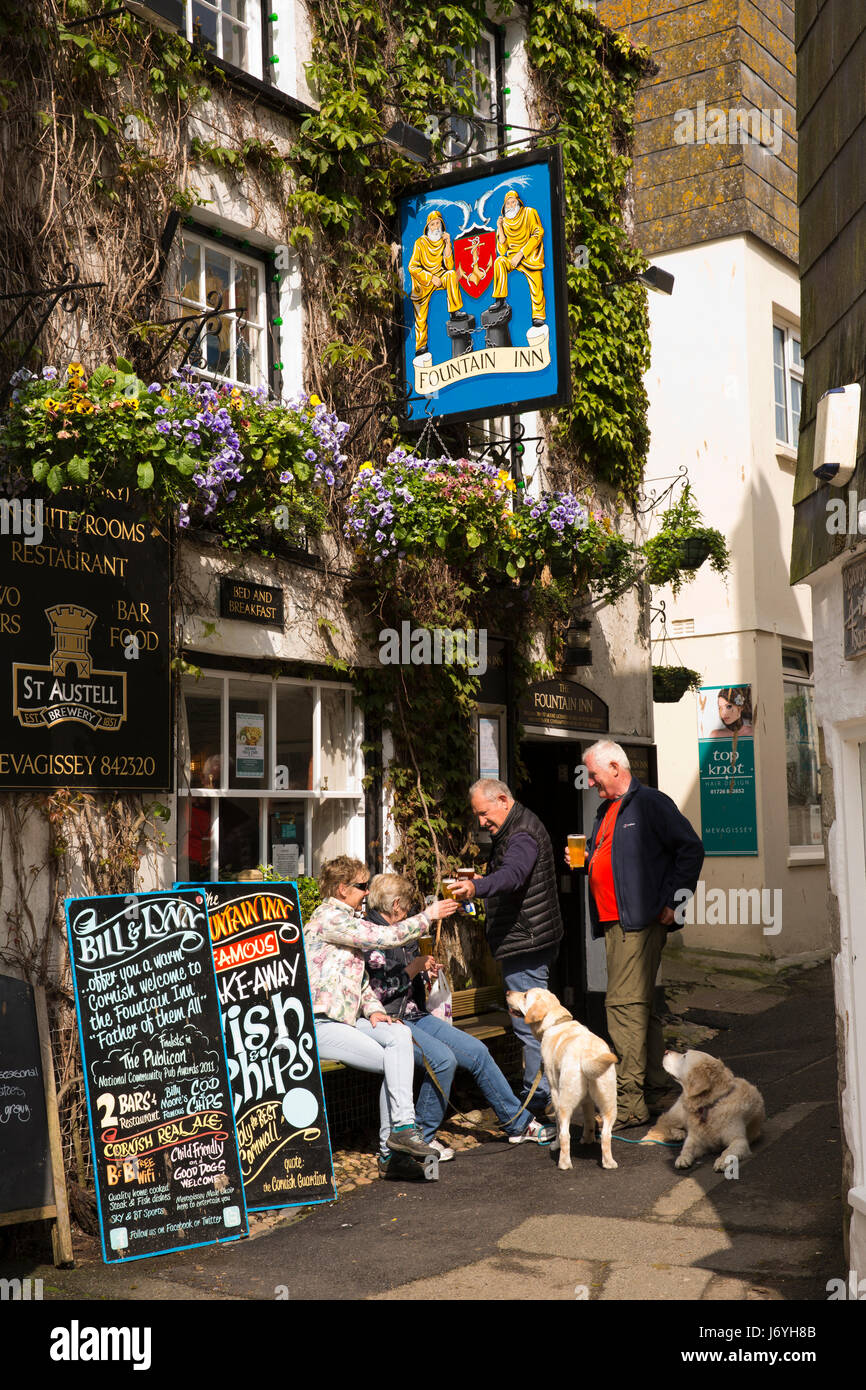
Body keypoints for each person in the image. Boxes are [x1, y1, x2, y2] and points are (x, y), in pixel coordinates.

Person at [363, 873, 555, 1161]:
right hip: (390, 1021)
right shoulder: (370, 935)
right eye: (407, 907)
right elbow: (378, 995)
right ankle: (421, 1139)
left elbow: (406, 977)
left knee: (477, 1051)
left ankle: (519, 1123)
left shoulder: (403, 927)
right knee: (443, 1061)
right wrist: (413, 970)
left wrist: (423, 970)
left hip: (416, 1014)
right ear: (396, 904)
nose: (410, 913)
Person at [572, 740, 704, 1129]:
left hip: (639, 922)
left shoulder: (649, 803)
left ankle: (628, 1104)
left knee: (622, 1007)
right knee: (638, 1004)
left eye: (595, 774)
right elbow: (612, 861)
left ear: (616, 767)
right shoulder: (608, 808)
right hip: (617, 922)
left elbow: (691, 849)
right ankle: (655, 1083)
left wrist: (674, 902)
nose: (591, 781)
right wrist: (584, 863)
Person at [304, 855, 459, 1174]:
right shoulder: (330, 917)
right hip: (319, 1024)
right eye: (362, 886)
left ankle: (400, 1134)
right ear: (342, 888)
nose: (366, 892)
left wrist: (375, 1012)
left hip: (345, 1021)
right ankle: (393, 1148)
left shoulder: (347, 922)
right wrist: (427, 915)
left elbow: (358, 983)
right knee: (396, 1058)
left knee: (399, 1034)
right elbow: (384, 937)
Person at [451, 778, 563, 1120]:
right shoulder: (515, 827)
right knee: (533, 1022)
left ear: (502, 800)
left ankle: (536, 1099)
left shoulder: (522, 833)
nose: (481, 822)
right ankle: (540, 1092)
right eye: (477, 815)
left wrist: (476, 887)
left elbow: (513, 875)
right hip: (527, 937)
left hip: (525, 941)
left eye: (484, 813)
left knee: (530, 1024)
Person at [408, 210, 465, 356]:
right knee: (420, 316)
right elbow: (412, 267)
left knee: (451, 275)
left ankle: (454, 311)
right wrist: (429, 277)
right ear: (428, 227)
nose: (435, 227)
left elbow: (449, 266)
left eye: (437, 223)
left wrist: (447, 244)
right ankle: (421, 347)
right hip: (423, 283)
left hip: (440, 276)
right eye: (432, 224)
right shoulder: (420, 243)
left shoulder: (443, 240)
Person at [491, 189, 546, 326]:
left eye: (512, 202)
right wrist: (500, 228)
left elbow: (538, 234)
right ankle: (500, 300)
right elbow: (502, 250)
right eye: (507, 203)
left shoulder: (529, 213)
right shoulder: (504, 222)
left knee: (536, 282)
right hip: (511, 258)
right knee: (499, 262)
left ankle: (538, 316)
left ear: (518, 203)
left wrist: (521, 253)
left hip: (529, 256)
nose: (510, 205)